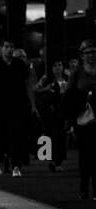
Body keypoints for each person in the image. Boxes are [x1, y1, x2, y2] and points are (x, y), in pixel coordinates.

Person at [0, 41, 37, 176]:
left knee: (16, 135)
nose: (9, 50)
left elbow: (28, 84)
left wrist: (32, 104)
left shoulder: (19, 64)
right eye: (6, 47)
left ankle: (16, 165)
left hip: (17, 104)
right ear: (0, 49)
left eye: (12, 47)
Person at [63, 40, 96, 199]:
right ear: (82, 55)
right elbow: (68, 98)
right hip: (83, 120)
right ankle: (84, 188)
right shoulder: (77, 73)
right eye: (88, 53)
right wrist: (70, 122)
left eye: (93, 52)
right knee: (85, 155)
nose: (91, 55)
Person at [35, 60, 69, 171]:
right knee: (54, 136)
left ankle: (57, 161)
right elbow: (35, 90)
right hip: (50, 113)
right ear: (52, 68)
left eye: (60, 65)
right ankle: (55, 161)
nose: (58, 67)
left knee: (61, 137)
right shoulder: (46, 80)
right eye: (55, 65)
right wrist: (46, 88)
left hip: (63, 112)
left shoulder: (68, 79)